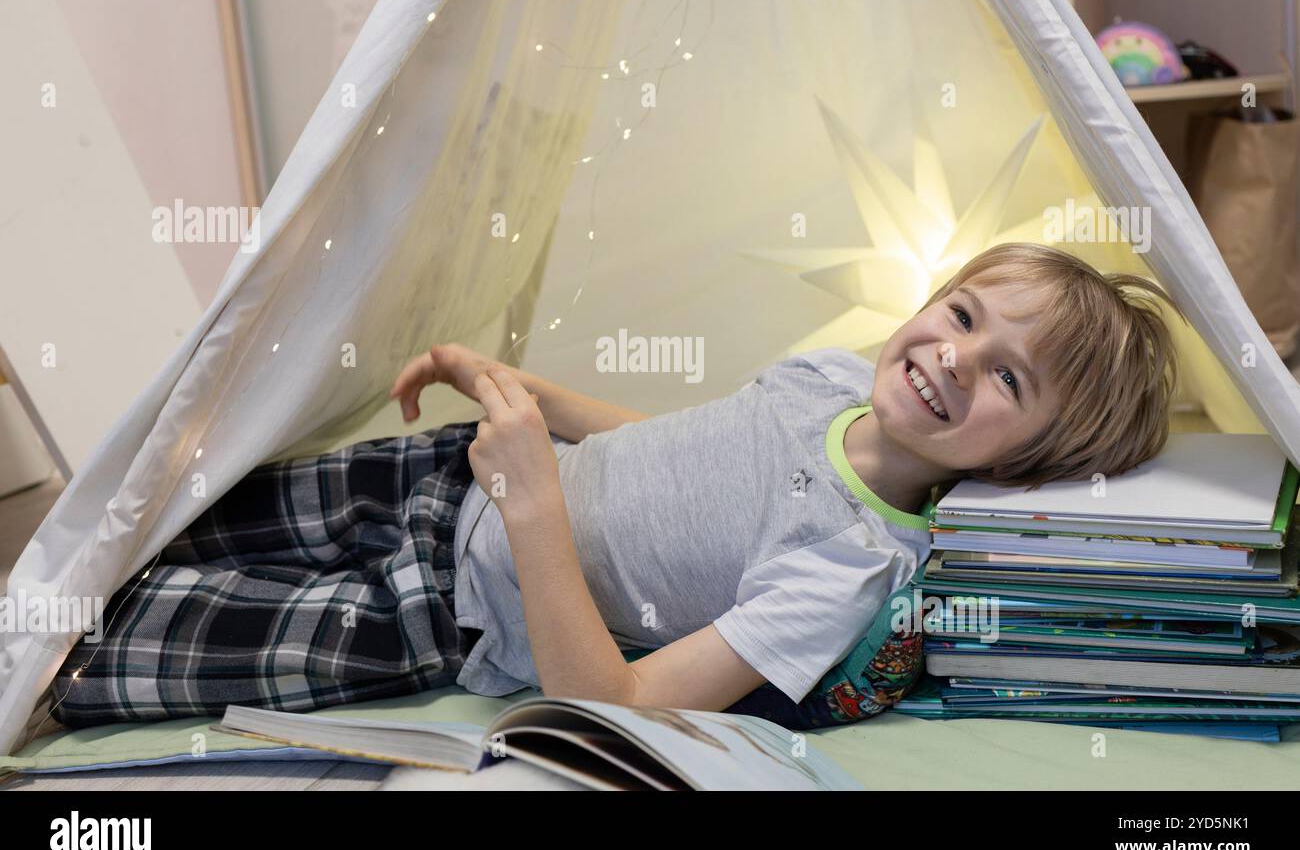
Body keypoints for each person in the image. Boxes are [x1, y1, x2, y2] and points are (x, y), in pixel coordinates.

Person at [49, 243, 1181, 727]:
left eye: (1005, 377)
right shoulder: (832, 376)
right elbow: (670, 442)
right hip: (440, 473)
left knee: (111, 643)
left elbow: (614, 704)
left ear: (1022, 456)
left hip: (443, 611)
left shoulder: (852, 564)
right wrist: (514, 388)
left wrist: (536, 505)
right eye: (963, 315)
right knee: (133, 530)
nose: (951, 357)